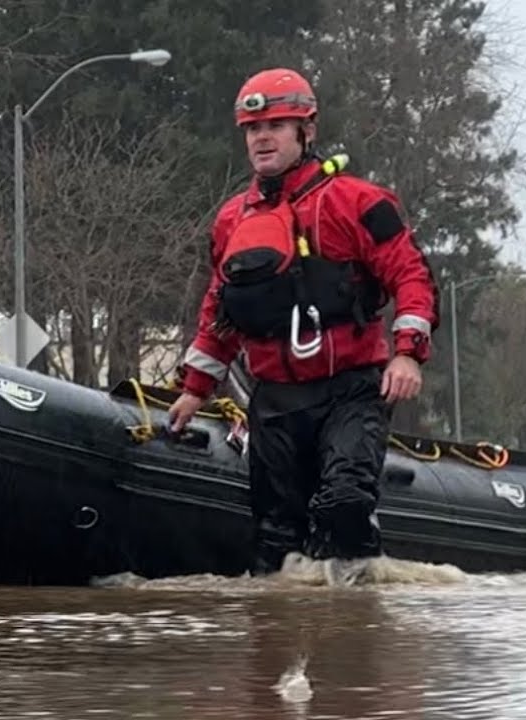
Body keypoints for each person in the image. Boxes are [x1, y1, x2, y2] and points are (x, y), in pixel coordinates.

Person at [167, 67, 438, 581]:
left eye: (276, 126)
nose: (262, 138)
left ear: (306, 131)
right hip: (275, 401)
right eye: (252, 129)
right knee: (274, 540)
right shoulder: (232, 221)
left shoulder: (358, 203)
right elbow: (219, 311)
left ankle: (359, 639)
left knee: (345, 500)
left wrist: (407, 353)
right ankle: (278, 644)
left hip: (351, 392)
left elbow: (411, 275)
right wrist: (195, 388)